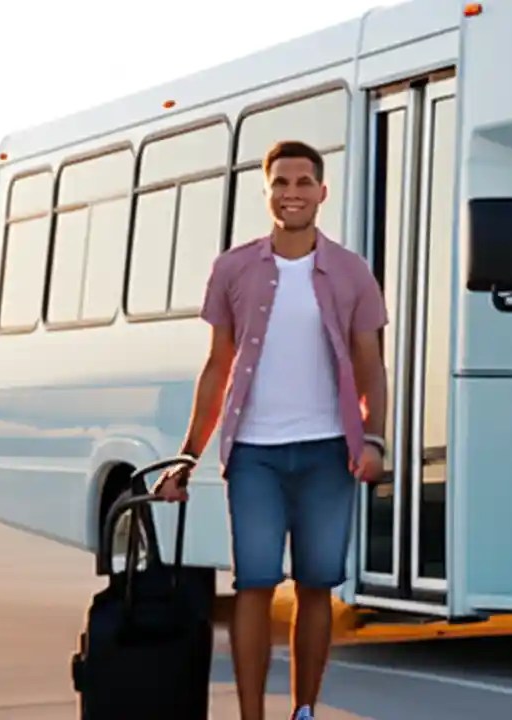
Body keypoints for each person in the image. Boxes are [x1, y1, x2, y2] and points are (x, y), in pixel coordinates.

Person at [152, 139, 388, 720]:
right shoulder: (233, 269)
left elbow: (371, 364)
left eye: (303, 182)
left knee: (316, 585)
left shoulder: (351, 271)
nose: (292, 193)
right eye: (281, 183)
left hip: (328, 453)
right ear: (267, 192)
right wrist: (188, 455)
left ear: (322, 192)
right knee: (254, 584)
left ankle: (303, 711)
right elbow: (218, 366)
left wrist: (374, 438)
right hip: (254, 453)